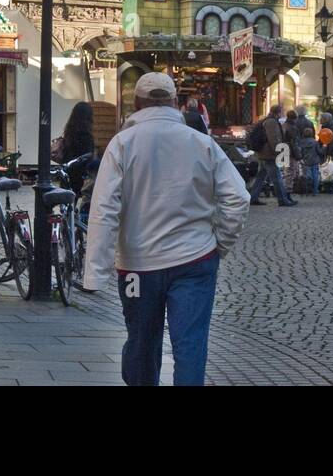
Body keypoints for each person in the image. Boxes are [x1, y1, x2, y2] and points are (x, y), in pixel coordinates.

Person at [83, 72, 250, 386]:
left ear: (137, 103)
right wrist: (219, 243)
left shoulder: (122, 144)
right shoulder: (202, 143)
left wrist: (96, 271)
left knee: (141, 342)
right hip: (194, 260)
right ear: (175, 102)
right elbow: (238, 197)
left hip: (137, 266)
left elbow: (103, 208)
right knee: (190, 344)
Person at [249, 104, 296, 207]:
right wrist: (279, 152)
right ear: (278, 112)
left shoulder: (267, 120)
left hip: (263, 153)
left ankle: (253, 197)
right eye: (281, 111)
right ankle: (282, 199)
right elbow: (274, 139)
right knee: (277, 178)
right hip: (268, 154)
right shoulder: (271, 122)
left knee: (261, 177)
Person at [297, 124, 321, 195]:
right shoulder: (315, 142)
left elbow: (299, 151)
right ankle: (315, 191)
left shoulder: (301, 142)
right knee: (315, 176)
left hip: (305, 161)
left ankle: (307, 190)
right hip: (314, 160)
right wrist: (324, 148)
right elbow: (319, 151)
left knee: (306, 176)